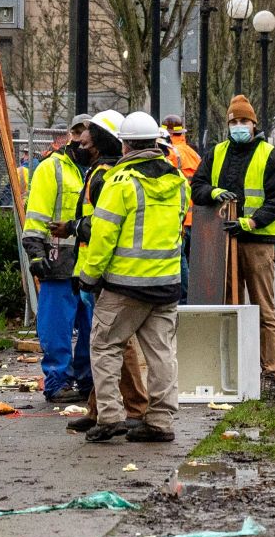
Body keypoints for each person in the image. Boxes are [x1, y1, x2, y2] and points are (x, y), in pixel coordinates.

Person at [77, 112, 185, 443]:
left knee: (104, 345)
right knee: (161, 352)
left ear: (125, 145)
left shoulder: (120, 182)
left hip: (125, 285)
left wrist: (89, 276)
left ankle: (110, 416)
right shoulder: (177, 181)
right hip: (166, 284)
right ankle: (160, 420)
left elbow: (103, 236)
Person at [189, 94, 275, 391]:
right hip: (224, 240)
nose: (239, 126)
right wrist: (213, 192)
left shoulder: (270, 155)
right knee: (228, 305)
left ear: (254, 124)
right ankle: (231, 368)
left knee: (262, 307)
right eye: (234, 121)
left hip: (257, 240)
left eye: (244, 121)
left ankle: (270, 370)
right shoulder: (217, 152)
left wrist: (250, 222)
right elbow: (197, 187)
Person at [66, 110, 148, 432]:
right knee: (106, 341)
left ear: (101, 138)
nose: (80, 139)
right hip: (99, 267)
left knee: (113, 342)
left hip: (101, 270)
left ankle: (134, 407)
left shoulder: (103, 176)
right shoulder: (105, 172)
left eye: (87, 132)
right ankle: (98, 408)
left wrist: (73, 228)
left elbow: (103, 226)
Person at [21, 113, 89, 406]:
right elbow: (37, 214)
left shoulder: (95, 170)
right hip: (58, 261)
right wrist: (36, 252)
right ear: (70, 136)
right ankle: (58, 381)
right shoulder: (52, 169)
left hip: (87, 263)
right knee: (56, 328)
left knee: (90, 328)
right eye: (78, 133)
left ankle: (86, 380)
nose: (82, 140)